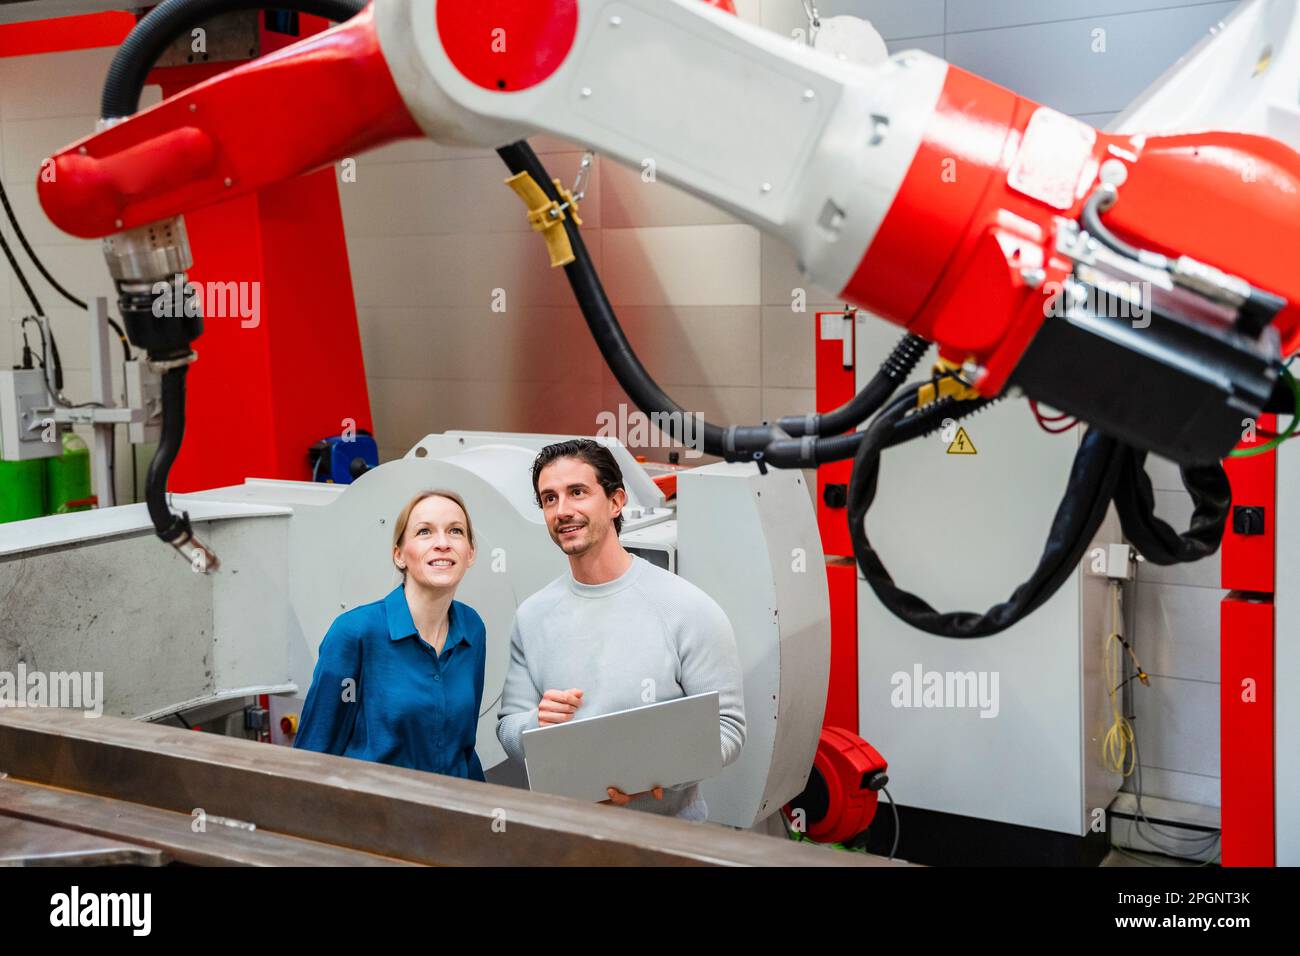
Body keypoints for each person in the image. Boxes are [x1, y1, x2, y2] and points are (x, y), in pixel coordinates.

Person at [497, 439, 745, 821]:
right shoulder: (533, 617)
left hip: (667, 839)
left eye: (577, 492)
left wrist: (662, 771)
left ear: (616, 501)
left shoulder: (687, 608)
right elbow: (509, 729)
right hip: (570, 836)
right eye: (549, 498)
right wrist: (537, 724)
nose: (563, 511)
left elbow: (727, 729)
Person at [295, 489, 487, 781]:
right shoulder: (354, 633)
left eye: (455, 531)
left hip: (453, 815)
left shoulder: (472, 629)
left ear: (470, 553)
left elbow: (464, 748)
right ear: (399, 555)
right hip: (375, 818)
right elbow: (313, 756)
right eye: (425, 532)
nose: (442, 543)